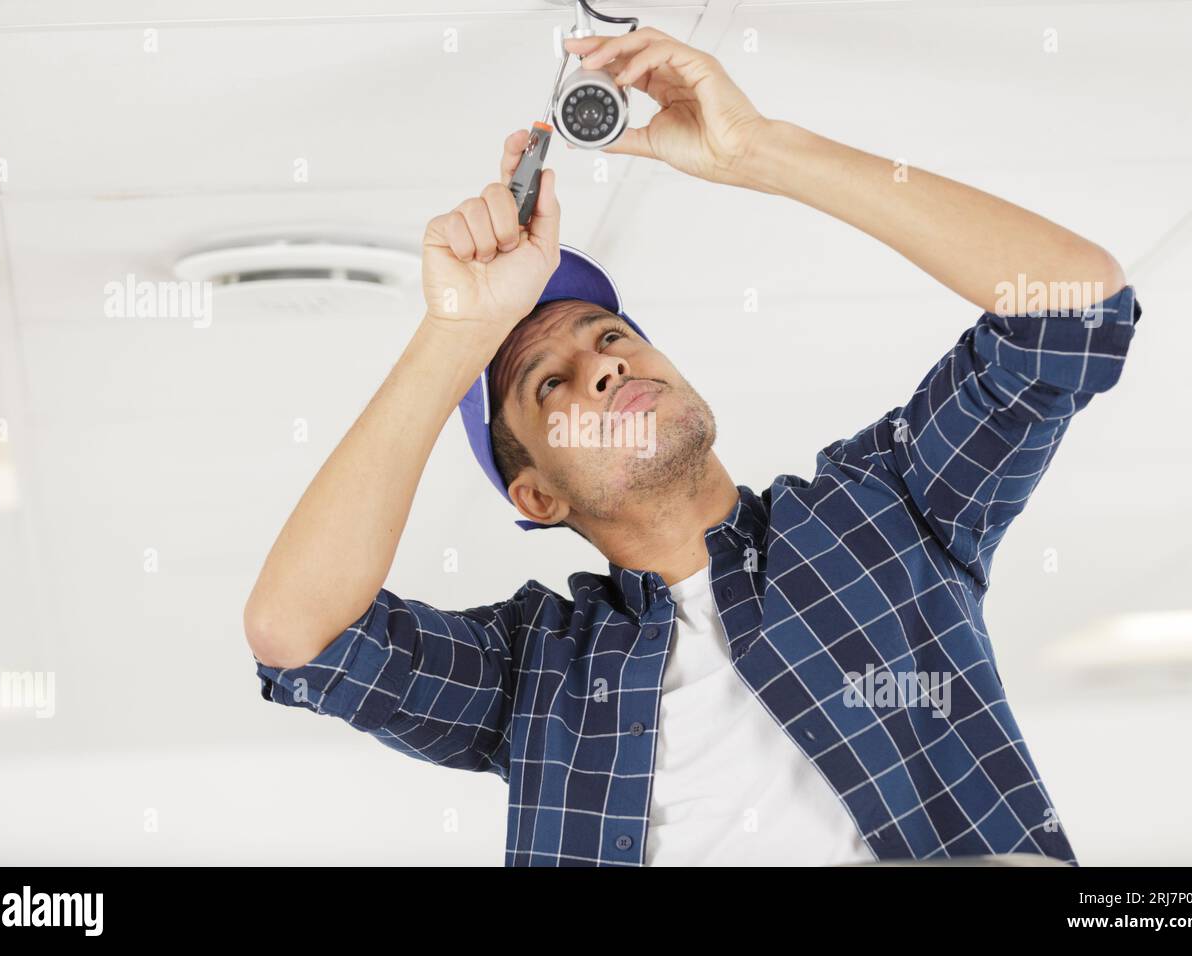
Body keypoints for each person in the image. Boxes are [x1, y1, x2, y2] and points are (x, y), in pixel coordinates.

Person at [243, 27, 1140, 867]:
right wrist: (458, 331)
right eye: (547, 384)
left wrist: (759, 151)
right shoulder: (534, 675)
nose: (601, 365)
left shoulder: (881, 512)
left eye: (608, 335)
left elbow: (1074, 311)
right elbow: (298, 633)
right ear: (539, 498)